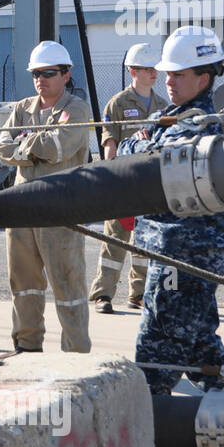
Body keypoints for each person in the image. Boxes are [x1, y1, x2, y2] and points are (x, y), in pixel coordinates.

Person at [119, 25, 224, 394]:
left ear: (204, 77)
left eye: (179, 74)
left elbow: (146, 161)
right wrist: (135, 144)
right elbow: (128, 148)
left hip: (185, 249)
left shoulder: (203, 122)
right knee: (198, 338)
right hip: (170, 245)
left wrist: (138, 144)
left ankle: (147, 420)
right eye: (168, 73)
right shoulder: (175, 114)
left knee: (158, 346)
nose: (169, 81)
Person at [0, 40, 92, 353]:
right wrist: (34, 147)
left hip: (60, 209)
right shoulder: (23, 108)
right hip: (22, 207)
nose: (41, 79)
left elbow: (58, 148)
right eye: (36, 73)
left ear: (66, 75)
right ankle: (27, 346)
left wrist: (26, 144)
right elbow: (2, 149)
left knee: (68, 285)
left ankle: (76, 354)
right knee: (24, 285)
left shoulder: (76, 109)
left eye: (49, 72)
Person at [89, 42, 168, 313]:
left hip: (149, 186)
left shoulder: (163, 105)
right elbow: (109, 143)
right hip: (123, 182)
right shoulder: (118, 103)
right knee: (114, 240)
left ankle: (139, 294)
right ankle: (103, 294)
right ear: (133, 71)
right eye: (147, 69)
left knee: (145, 244)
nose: (153, 73)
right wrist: (109, 179)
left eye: (155, 68)